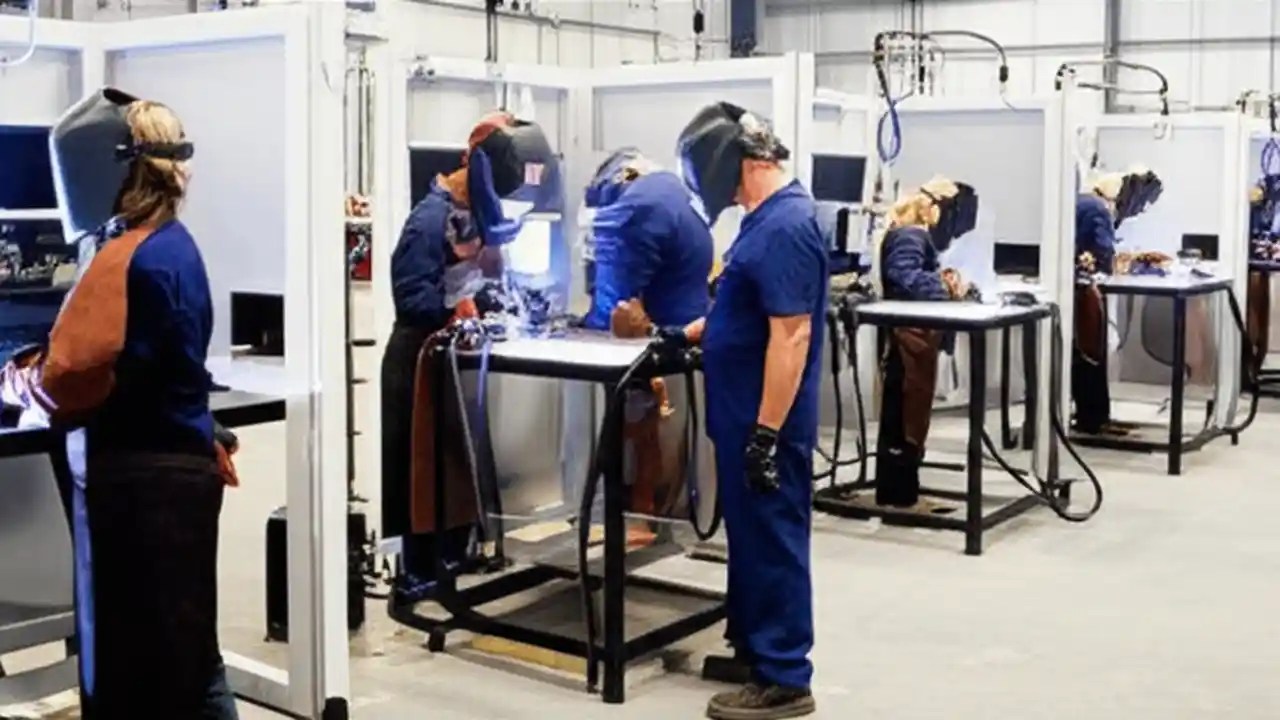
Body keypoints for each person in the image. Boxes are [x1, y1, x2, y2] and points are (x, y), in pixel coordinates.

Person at [7, 88, 239, 717]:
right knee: (191, 660)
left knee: (140, 669)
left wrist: (14, 380)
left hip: (140, 491)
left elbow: (68, 379)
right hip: (177, 473)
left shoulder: (128, 257)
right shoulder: (173, 242)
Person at [666, 102, 825, 720]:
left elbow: (792, 336)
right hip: (741, 415)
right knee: (752, 540)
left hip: (766, 426)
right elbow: (751, 311)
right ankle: (756, 649)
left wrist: (765, 435)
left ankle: (784, 677)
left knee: (773, 541)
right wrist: (698, 332)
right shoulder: (764, 221)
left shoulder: (785, 226)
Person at [381, 111, 550, 592]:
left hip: (451, 363)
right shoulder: (428, 221)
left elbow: (475, 284)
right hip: (417, 363)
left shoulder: (471, 214)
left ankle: (457, 555)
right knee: (420, 473)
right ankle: (419, 571)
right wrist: (455, 301)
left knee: (456, 467)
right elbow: (412, 300)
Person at [579, 148, 715, 535]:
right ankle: (660, 517)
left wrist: (591, 327)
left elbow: (612, 308)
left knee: (638, 430)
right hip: (689, 347)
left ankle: (625, 521)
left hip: (656, 353)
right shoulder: (677, 192)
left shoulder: (638, 206)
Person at [873, 176, 977, 510]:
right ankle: (900, 498)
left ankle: (899, 493)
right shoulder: (911, 235)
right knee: (906, 416)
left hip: (913, 336)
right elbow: (905, 277)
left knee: (907, 413)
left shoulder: (909, 233)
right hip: (908, 337)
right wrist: (945, 287)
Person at [1073, 168, 1162, 435]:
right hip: (1082, 291)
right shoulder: (1098, 210)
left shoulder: (1083, 202)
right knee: (1092, 356)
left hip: (1074, 288)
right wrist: (1133, 261)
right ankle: (1094, 420)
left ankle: (1091, 417)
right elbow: (1105, 257)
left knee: (1082, 357)